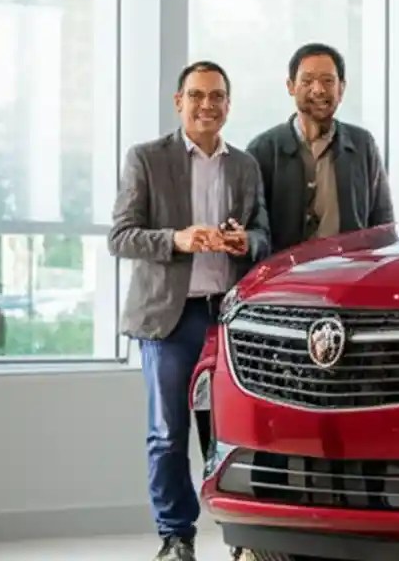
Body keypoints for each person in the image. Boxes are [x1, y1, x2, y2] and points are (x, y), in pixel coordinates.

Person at [108, 61, 270, 561]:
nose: (207, 105)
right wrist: (176, 239)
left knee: (228, 433)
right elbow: (121, 236)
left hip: (225, 321)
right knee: (167, 433)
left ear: (228, 103)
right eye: (197, 96)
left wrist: (248, 242)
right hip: (168, 320)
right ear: (178, 102)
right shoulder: (147, 159)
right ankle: (176, 535)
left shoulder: (244, 165)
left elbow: (265, 235)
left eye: (217, 96)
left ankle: (242, 535)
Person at [246, 42, 393, 254]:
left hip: (348, 273)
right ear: (290, 86)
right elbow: (254, 231)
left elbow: (383, 223)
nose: (318, 90)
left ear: (341, 88)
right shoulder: (263, 149)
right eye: (307, 81)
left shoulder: (362, 144)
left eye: (328, 81)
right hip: (285, 278)